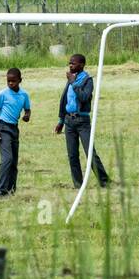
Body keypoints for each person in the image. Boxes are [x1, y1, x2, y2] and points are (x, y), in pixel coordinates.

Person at [55, 53, 109, 188]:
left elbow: (84, 97)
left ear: (82, 65)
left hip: (82, 121)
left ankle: (104, 181)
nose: (70, 65)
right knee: (72, 155)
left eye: (73, 63)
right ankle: (78, 184)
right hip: (69, 121)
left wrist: (73, 82)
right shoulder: (71, 78)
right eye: (69, 63)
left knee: (90, 153)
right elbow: (64, 99)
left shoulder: (87, 80)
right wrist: (61, 120)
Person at [0, 67, 31, 196]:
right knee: (7, 159)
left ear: (20, 80)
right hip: (3, 127)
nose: (10, 84)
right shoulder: (3, 94)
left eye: (13, 81)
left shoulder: (24, 95)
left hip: (14, 128)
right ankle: (0, 190)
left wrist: (27, 115)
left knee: (14, 161)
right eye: (8, 81)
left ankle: (11, 189)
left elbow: (27, 109)